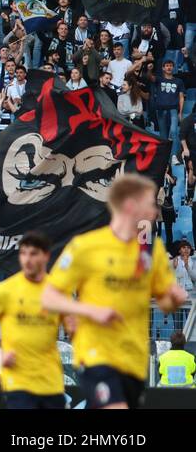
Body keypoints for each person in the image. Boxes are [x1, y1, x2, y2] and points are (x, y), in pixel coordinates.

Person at [42, 174, 190, 409]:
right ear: (130, 206)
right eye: (151, 205)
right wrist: (90, 311)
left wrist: (175, 298)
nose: (155, 212)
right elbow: (49, 296)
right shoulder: (85, 246)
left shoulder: (152, 253)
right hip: (96, 353)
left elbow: (164, 302)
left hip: (133, 358)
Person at [0, 232, 66, 409]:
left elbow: (74, 327)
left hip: (51, 381)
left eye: (33, 254)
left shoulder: (58, 289)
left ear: (46, 256)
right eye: (23, 253)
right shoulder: (6, 290)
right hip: (18, 381)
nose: (27, 259)